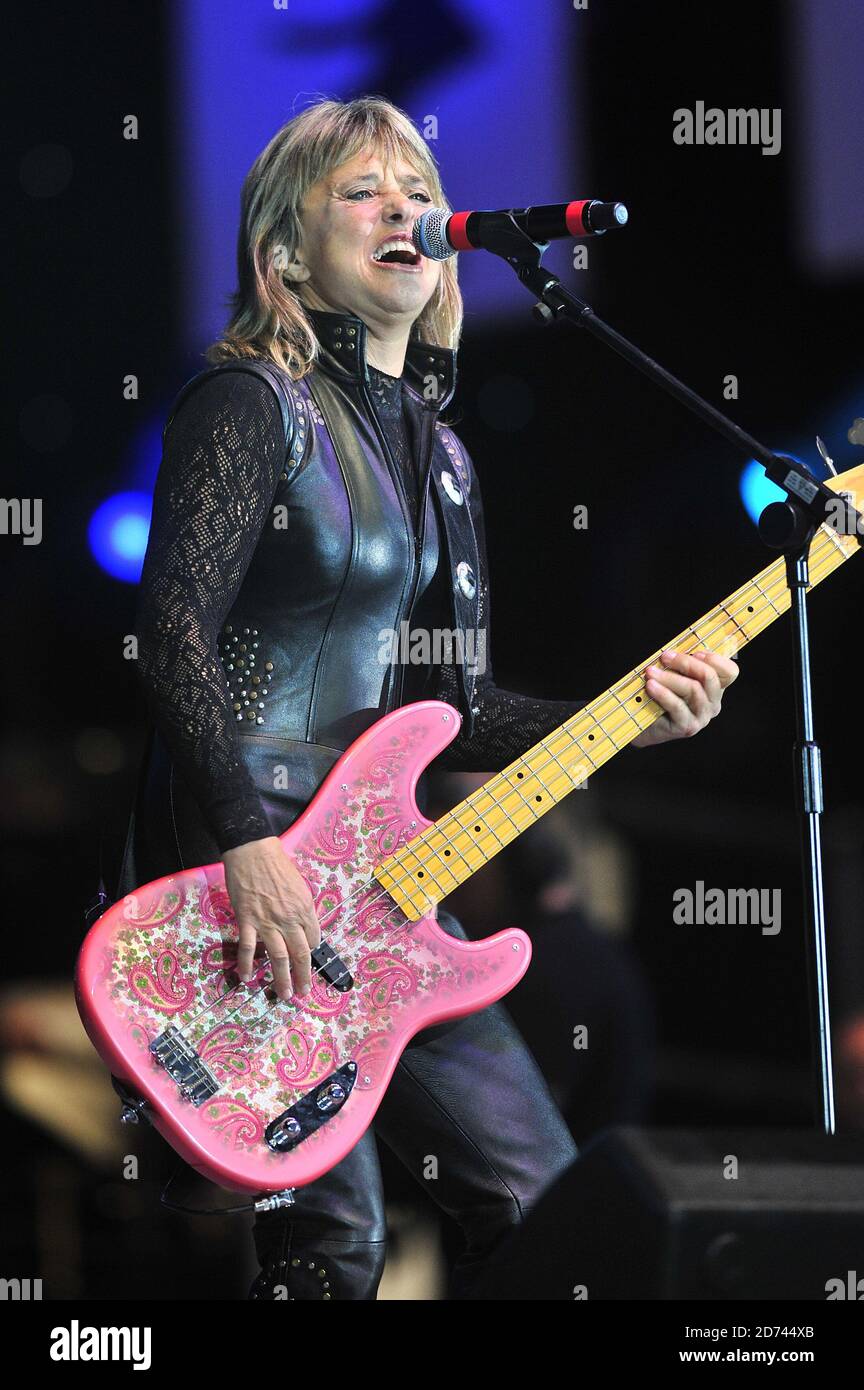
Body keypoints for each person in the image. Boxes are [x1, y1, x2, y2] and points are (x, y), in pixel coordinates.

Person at [123, 96, 739, 1300]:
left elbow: (457, 702)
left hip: (385, 885)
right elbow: (168, 637)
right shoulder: (251, 402)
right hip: (241, 865)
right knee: (333, 1241)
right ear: (284, 253)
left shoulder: (443, 455)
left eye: (415, 187)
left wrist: (632, 713)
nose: (403, 207)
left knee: (553, 1218)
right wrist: (248, 842)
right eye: (362, 191)